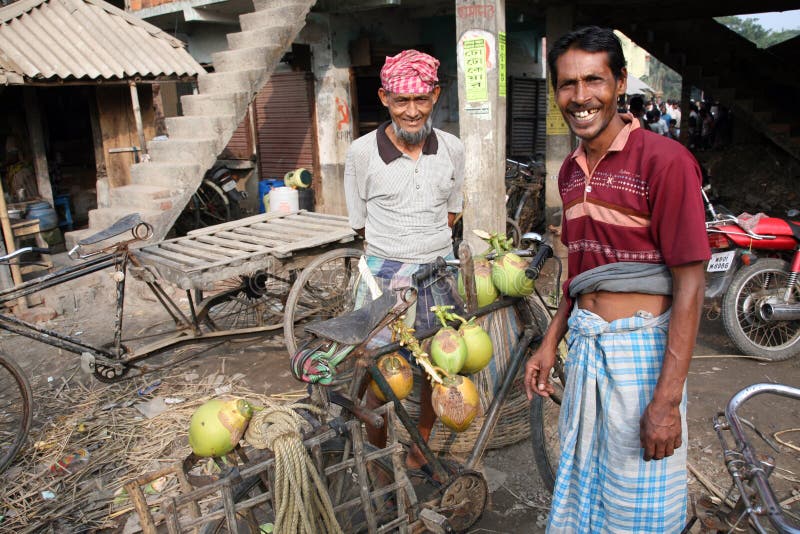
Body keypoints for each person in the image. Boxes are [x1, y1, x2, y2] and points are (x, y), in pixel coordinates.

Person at [524, 26, 709, 533]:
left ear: (619, 82)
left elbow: (690, 284)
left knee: (640, 507)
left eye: (593, 80)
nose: (580, 97)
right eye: (567, 84)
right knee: (588, 490)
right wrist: (550, 341)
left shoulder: (665, 162)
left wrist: (667, 401)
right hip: (586, 348)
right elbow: (580, 273)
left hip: (644, 356)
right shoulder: (568, 172)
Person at [344, 49, 465, 473]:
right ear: (384, 98)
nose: (412, 112)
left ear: (435, 95)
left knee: (441, 370)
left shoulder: (452, 148)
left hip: (440, 275)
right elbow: (360, 223)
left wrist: (426, 252)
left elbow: (451, 213)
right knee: (383, 378)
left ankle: (420, 447)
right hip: (384, 278)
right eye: (401, 101)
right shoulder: (361, 153)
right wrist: (400, 254)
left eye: (421, 100)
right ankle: (378, 458)